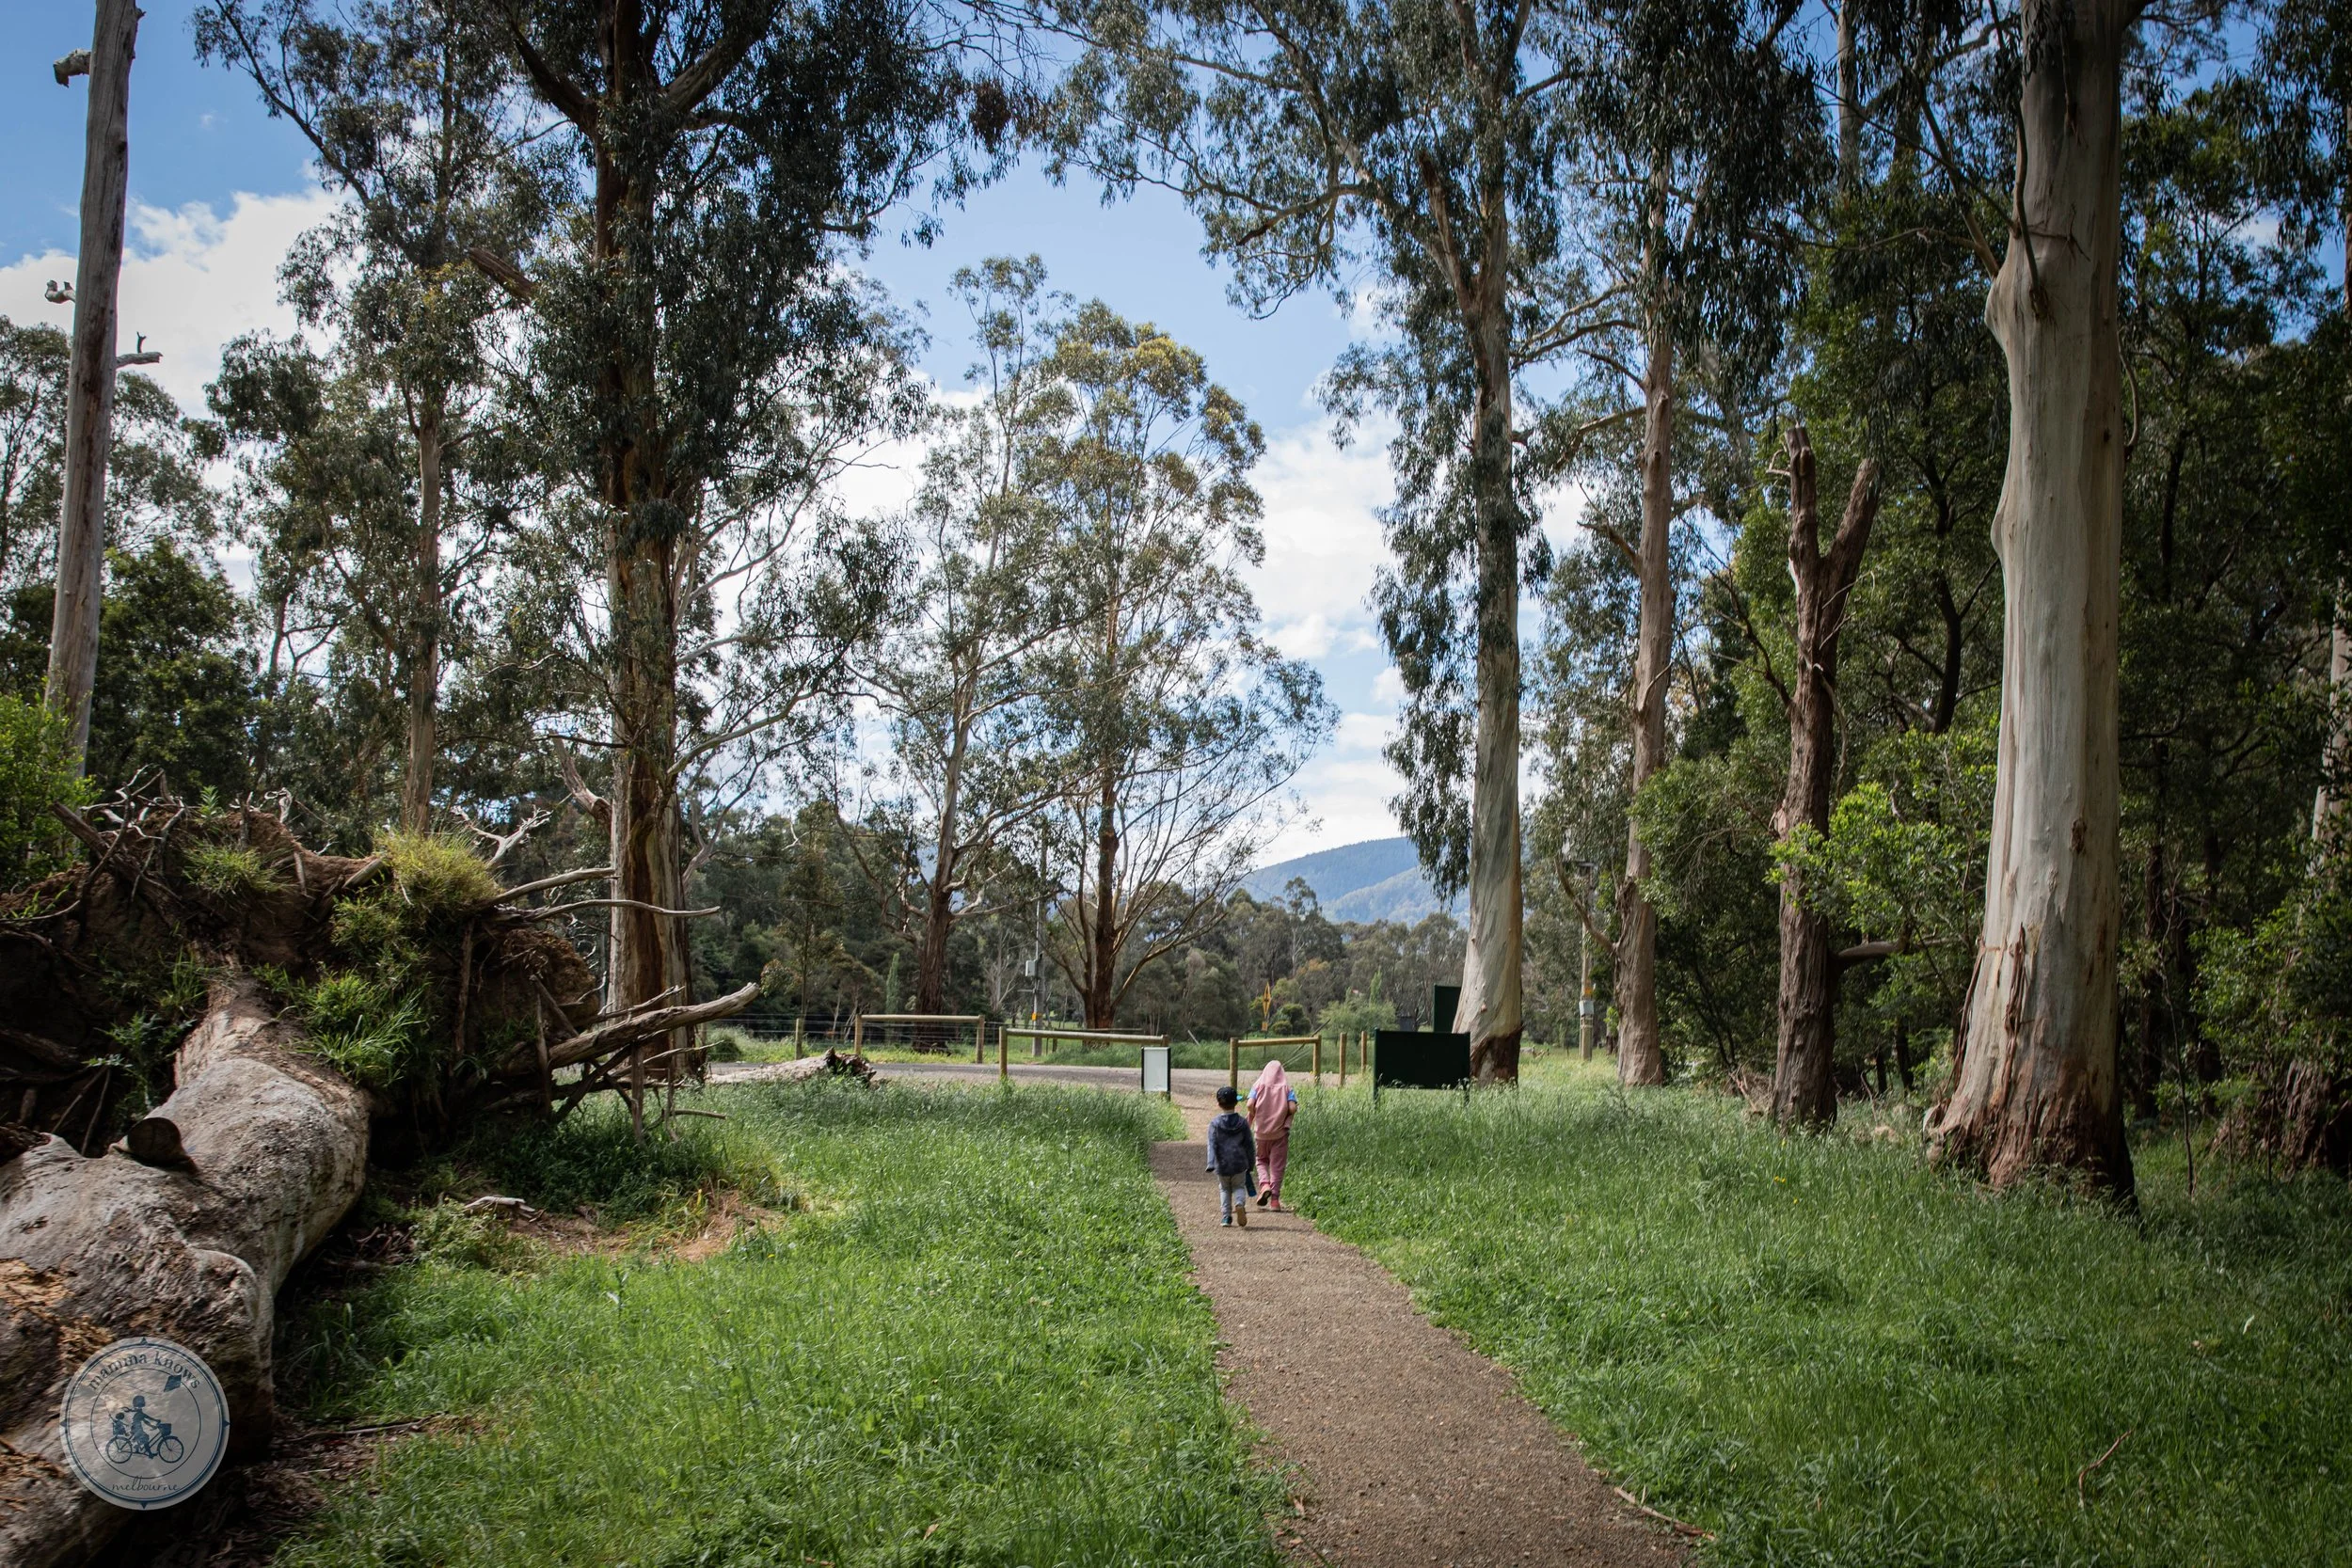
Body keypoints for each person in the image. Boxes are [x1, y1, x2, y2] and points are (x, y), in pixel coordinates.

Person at [1247, 1058, 1298, 1210]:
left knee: (1261, 1160)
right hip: (1280, 1134)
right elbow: (1293, 1108)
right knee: (1277, 1165)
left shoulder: (1258, 1086)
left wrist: (1255, 1114)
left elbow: (1250, 1104)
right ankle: (1275, 1200)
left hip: (1261, 1133)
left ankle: (1264, 1185)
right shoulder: (1287, 1089)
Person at [1206, 1085, 1255, 1227]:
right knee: (1239, 1187)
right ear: (1236, 1103)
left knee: (1224, 1189)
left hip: (1222, 1164)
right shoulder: (1243, 1122)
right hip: (1239, 1163)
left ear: (1218, 1104)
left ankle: (1226, 1217)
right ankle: (1239, 1204)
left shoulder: (1215, 1124)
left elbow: (1211, 1144)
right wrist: (1250, 1163)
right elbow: (1249, 1145)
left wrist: (1210, 1163)